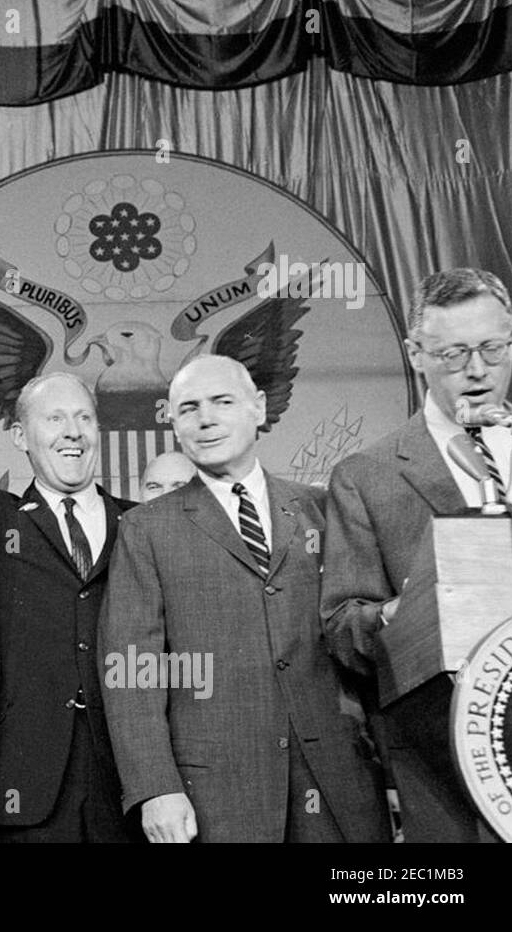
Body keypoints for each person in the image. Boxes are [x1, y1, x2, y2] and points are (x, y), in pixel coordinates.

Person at [99, 355, 390, 842]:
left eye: (222, 402)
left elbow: (358, 644)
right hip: (216, 796)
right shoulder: (146, 529)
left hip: (341, 783)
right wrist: (155, 787)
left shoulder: (321, 508)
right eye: (189, 408)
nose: (206, 418)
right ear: (173, 423)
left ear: (258, 408)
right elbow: (131, 668)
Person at [322, 268, 512, 842]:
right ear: (415, 354)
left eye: (492, 349)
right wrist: (408, 613)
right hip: (445, 761)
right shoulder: (366, 477)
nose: (477, 370)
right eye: (453, 354)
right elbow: (341, 625)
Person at [0, 373, 134, 842]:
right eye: (55, 418)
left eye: (84, 418)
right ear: (20, 436)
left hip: (125, 787)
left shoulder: (141, 526)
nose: (73, 432)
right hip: (22, 788)